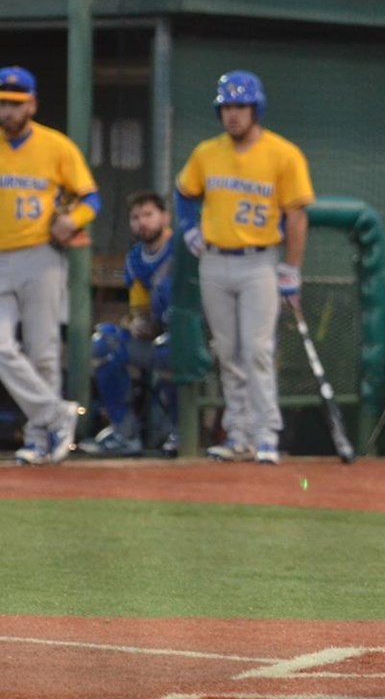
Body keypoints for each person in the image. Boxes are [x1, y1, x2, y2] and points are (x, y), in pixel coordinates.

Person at [175, 70, 315, 465]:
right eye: (227, 107)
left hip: (259, 262)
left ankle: (266, 433)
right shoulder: (206, 153)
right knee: (227, 351)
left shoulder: (283, 153)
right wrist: (188, 228)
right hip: (215, 262)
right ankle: (238, 434)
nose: (233, 114)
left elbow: (297, 216)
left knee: (257, 350)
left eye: (241, 106)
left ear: (256, 109)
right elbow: (184, 192)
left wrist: (291, 268)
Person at [0, 66, 95, 465]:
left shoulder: (56, 146)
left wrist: (72, 220)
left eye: (15, 103)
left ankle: (40, 439)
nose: (7, 111)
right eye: (2, 103)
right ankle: (56, 414)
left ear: (32, 104)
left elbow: (90, 198)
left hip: (41, 256)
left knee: (43, 352)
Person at [80, 192, 180, 457]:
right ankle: (124, 432)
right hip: (159, 340)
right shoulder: (136, 258)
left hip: (196, 342)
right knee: (105, 343)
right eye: (135, 217)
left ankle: (180, 431)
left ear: (165, 217)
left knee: (170, 349)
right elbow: (139, 309)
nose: (142, 222)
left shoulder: (182, 248)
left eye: (148, 215)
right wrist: (138, 323)